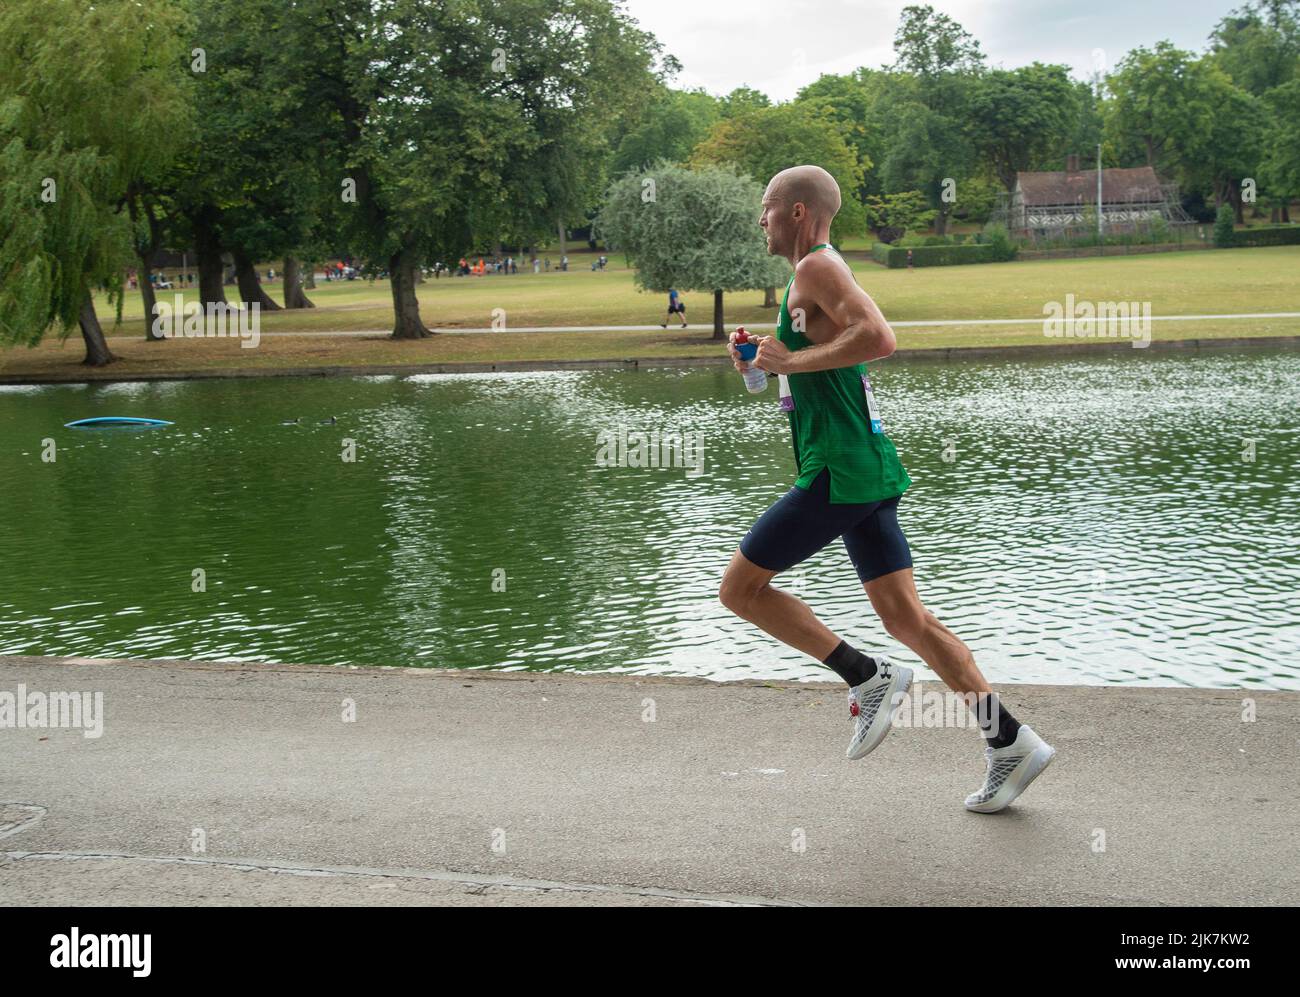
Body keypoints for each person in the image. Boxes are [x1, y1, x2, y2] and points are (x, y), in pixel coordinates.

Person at [719, 164, 1055, 814]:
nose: (759, 219)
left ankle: (864, 675)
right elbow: (827, 356)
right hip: (862, 469)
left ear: (795, 211)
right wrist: (771, 356)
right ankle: (1009, 740)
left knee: (739, 589)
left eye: (765, 207)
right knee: (909, 619)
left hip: (839, 473)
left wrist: (789, 358)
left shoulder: (817, 265)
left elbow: (878, 337)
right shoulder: (806, 279)